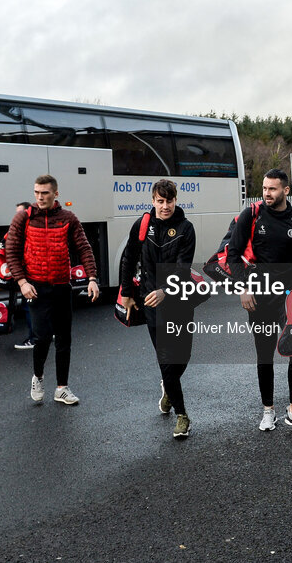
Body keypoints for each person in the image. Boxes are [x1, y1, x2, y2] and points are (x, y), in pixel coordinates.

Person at [227, 168, 292, 433]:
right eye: (265, 188)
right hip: (258, 296)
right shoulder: (252, 215)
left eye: (272, 189)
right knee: (264, 354)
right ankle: (268, 411)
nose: (266, 193)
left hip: (289, 295)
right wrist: (242, 288)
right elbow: (234, 254)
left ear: (286, 190)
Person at [5, 175, 99, 405]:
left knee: (64, 339)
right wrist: (22, 283)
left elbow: (84, 248)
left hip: (61, 286)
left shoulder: (68, 218)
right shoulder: (23, 218)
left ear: (56, 194)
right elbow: (12, 252)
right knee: (43, 337)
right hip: (35, 287)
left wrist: (92, 278)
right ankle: (38, 376)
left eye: (45, 192)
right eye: (36, 192)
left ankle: (62, 388)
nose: (39, 197)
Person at [119, 179, 196, 438]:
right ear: (152, 200)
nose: (165, 206)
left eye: (169, 201)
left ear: (176, 200)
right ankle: (182, 415)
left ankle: (168, 390)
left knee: (181, 358)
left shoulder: (186, 229)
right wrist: (127, 294)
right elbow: (128, 259)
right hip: (150, 305)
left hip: (180, 303)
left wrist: (166, 291)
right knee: (166, 360)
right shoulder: (142, 226)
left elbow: (183, 269)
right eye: (160, 201)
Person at [4, 202, 37, 350]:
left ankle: (34, 338)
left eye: (19, 213)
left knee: (30, 306)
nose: (16, 216)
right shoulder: (34, 228)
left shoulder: (24, 230)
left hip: (29, 274)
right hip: (35, 273)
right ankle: (44, 334)